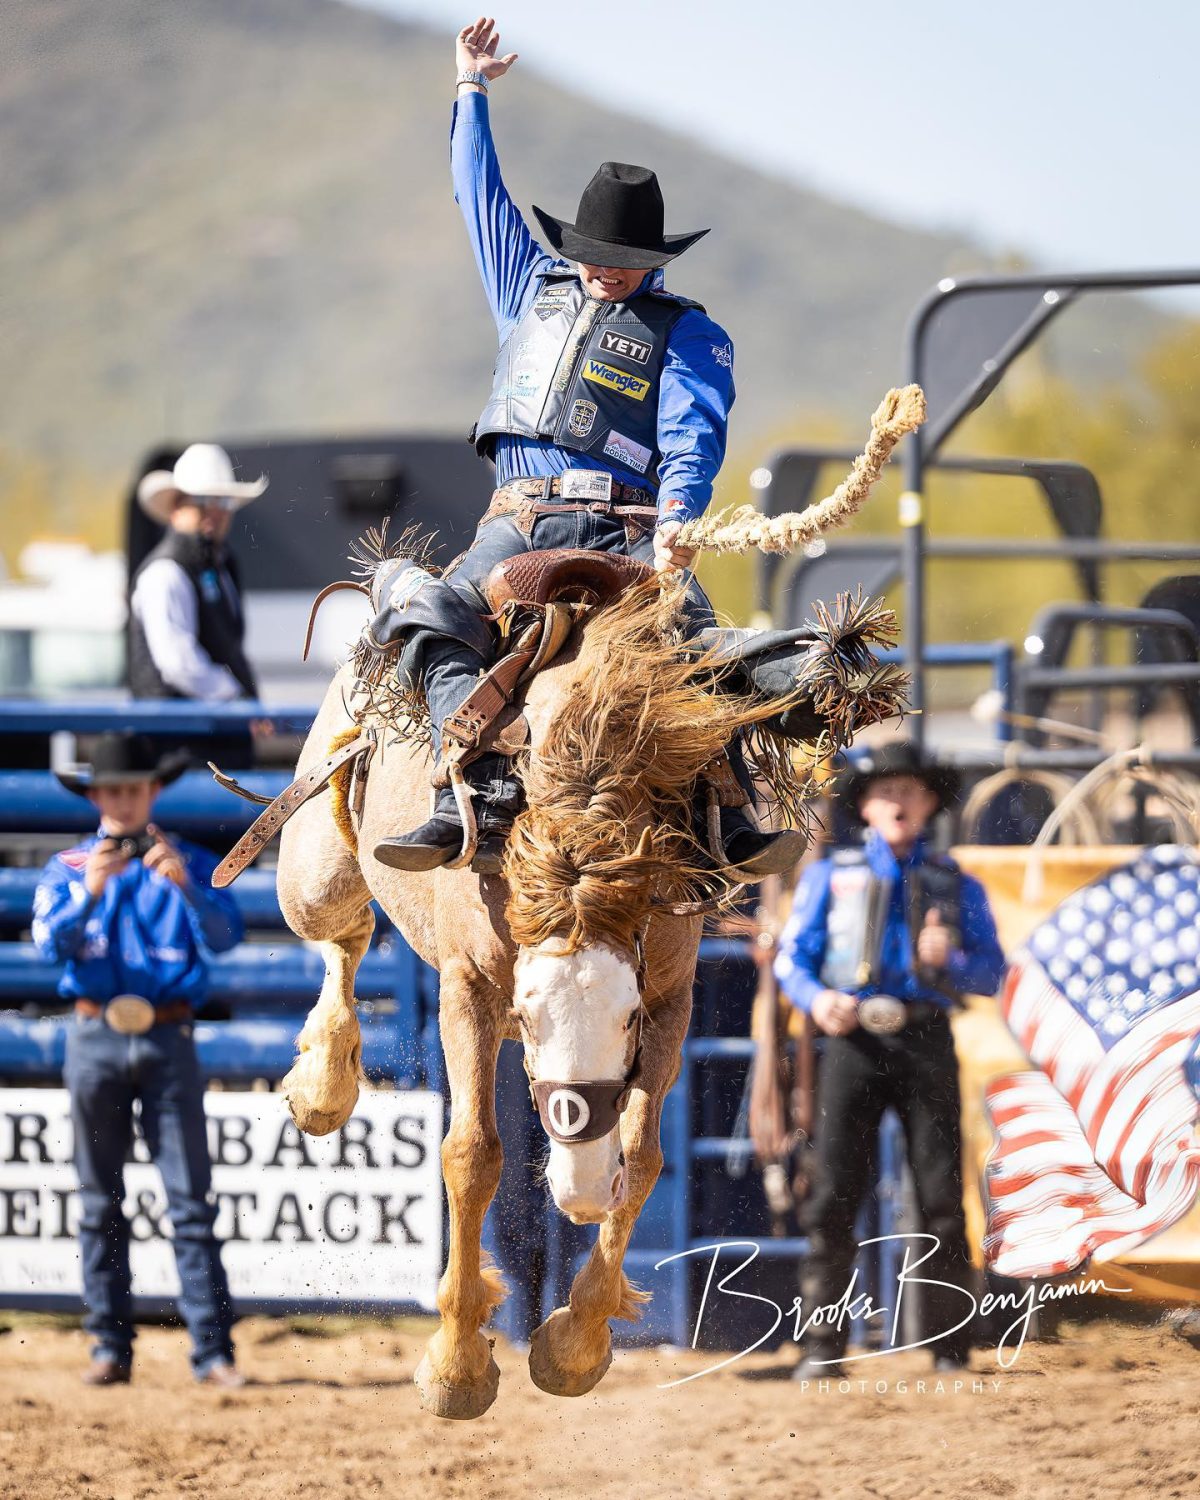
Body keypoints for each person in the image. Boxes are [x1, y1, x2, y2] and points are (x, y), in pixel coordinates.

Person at [371, 15, 801, 878]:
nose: (605, 268)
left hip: (628, 526)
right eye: (595, 253)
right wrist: (471, 89)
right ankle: (473, 785)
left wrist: (678, 520)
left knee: (691, 638)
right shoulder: (527, 286)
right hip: (518, 518)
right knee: (429, 613)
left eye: (623, 257)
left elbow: (691, 436)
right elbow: (478, 192)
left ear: (653, 258)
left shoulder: (688, 334)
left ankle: (728, 801)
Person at [773, 741, 1006, 1376]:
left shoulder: (957, 884)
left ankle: (949, 1347)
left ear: (929, 802)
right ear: (867, 806)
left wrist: (948, 959)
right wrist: (819, 1001)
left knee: (939, 1197)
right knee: (833, 1194)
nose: (898, 801)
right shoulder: (830, 874)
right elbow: (793, 958)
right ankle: (822, 1347)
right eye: (886, 791)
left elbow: (992, 972)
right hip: (852, 1041)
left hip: (927, 1037)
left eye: (910, 790)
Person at [31, 733, 245, 1387]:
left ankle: (211, 1351)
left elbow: (226, 935)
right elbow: (48, 947)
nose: (122, 801)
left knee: (189, 1200)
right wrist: (89, 895)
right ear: (96, 795)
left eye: (133, 789)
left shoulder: (185, 863)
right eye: (113, 791)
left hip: (167, 1036)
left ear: (152, 792)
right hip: (96, 1034)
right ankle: (108, 1346)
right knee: (98, 1200)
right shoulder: (67, 870)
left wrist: (192, 890)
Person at [129, 443, 266, 702]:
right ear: (176, 507)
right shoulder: (165, 572)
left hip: (211, 734)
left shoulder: (220, 566)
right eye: (202, 500)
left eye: (223, 501)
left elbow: (228, 650)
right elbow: (178, 663)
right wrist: (237, 697)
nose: (215, 511)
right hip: (176, 737)